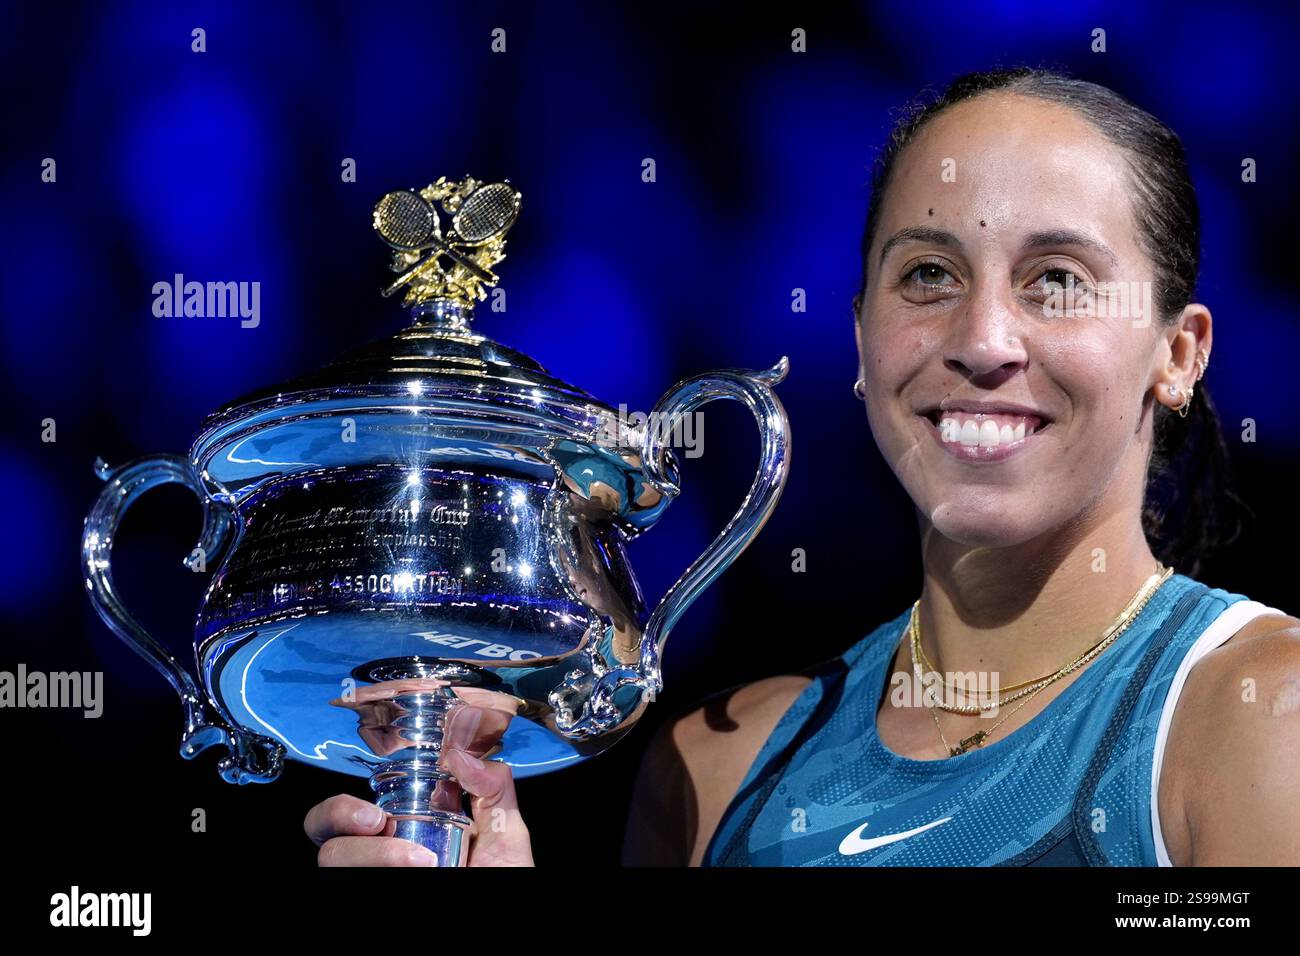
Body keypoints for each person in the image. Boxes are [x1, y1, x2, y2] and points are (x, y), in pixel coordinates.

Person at [305, 66, 1300, 867]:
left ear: (1179, 353)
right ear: (863, 339)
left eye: (1056, 280)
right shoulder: (713, 768)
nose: (984, 338)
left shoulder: (1263, 713)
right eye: (927, 275)